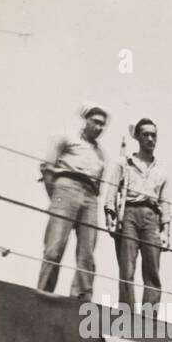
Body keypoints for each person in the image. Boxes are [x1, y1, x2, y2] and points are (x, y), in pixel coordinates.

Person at [37, 106, 108, 297]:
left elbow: (99, 183)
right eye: (96, 122)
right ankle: (43, 294)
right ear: (86, 121)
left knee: (87, 253)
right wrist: (57, 197)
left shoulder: (100, 154)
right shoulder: (68, 139)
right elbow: (47, 168)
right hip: (67, 187)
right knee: (54, 247)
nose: (99, 127)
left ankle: (81, 300)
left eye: (103, 124)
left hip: (90, 196)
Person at [105, 118, 170, 309]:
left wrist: (166, 230)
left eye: (153, 135)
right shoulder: (124, 163)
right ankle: (127, 313)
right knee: (127, 268)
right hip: (129, 214)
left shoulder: (161, 171)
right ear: (138, 138)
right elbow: (111, 191)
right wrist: (109, 216)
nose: (150, 139)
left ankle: (149, 319)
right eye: (145, 135)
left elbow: (165, 203)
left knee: (152, 271)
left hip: (152, 217)